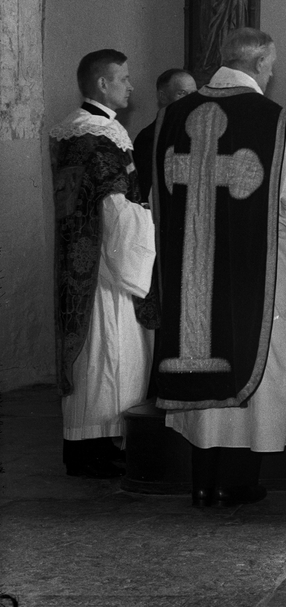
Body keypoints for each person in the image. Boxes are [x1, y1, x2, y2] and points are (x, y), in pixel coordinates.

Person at [153, 28, 286, 507]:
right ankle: (239, 479)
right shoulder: (273, 122)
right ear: (262, 63)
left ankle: (202, 482)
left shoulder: (173, 117)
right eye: (271, 66)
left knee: (199, 355)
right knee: (258, 359)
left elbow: (157, 198)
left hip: (192, 270)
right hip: (259, 265)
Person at [49, 50, 157, 478]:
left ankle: (88, 443)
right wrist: (150, 223)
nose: (131, 87)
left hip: (77, 257)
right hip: (105, 264)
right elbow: (114, 207)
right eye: (124, 79)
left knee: (93, 355)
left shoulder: (70, 130)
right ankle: (90, 447)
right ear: (102, 85)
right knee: (108, 354)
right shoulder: (100, 136)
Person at [132, 68, 197, 199]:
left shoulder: (200, 134)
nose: (190, 100)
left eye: (194, 94)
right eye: (182, 93)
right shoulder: (149, 138)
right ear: (163, 97)